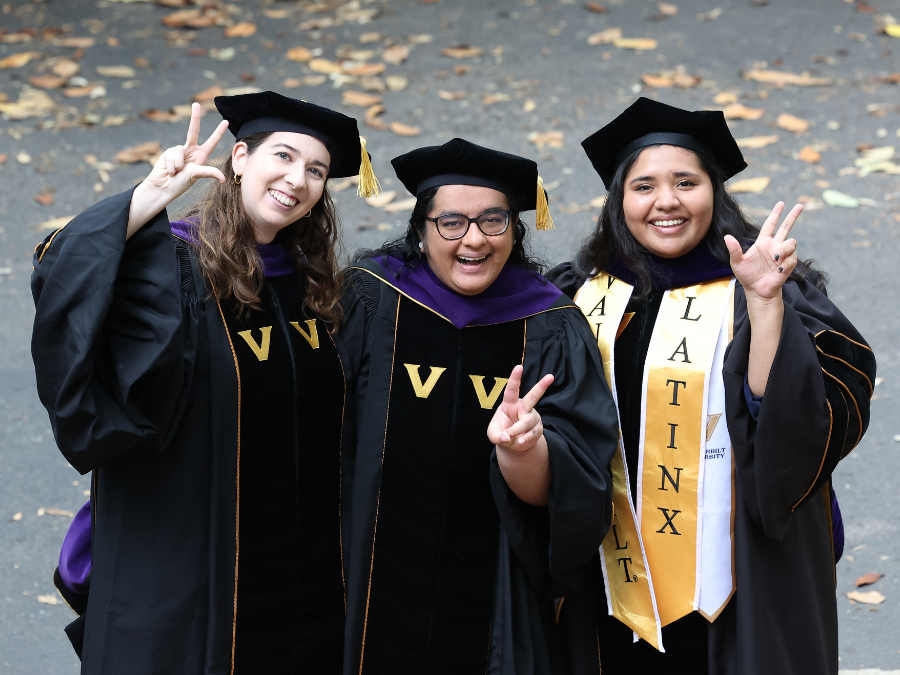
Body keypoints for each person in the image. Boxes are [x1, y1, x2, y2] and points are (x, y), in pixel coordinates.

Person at [31, 91, 380, 674]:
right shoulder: (170, 267)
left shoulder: (317, 289)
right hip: (189, 560)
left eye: (315, 170)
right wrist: (147, 199)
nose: (297, 179)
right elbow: (64, 281)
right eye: (284, 157)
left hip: (300, 570)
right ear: (239, 158)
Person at [548, 97, 876, 674]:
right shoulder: (578, 296)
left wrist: (766, 304)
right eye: (643, 186)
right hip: (608, 577)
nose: (666, 201)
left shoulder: (767, 287)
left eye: (685, 182)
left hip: (737, 576)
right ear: (618, 201)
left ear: (714, 193)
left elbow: (789, 418)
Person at [337, 138, 620, 674]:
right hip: (368, 581)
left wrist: (529, 449)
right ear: (420, 232)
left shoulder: (550, 324)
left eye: (494, 221)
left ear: (515, 230)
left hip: (495, 600)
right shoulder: (371, 300)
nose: (473, 238)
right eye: (450, 223)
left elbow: (576, 489)